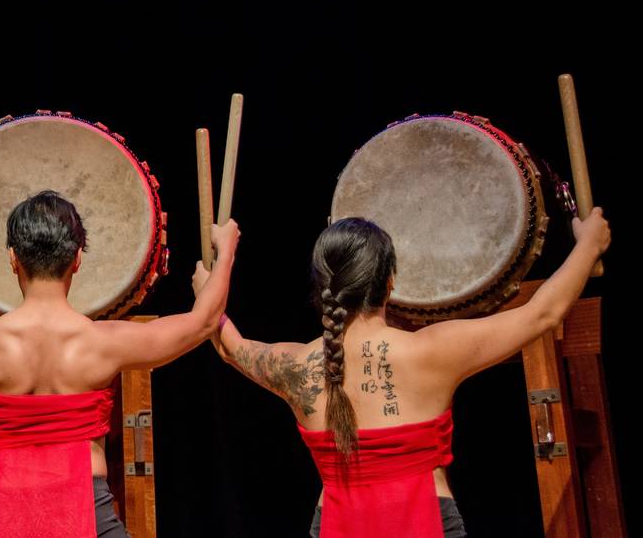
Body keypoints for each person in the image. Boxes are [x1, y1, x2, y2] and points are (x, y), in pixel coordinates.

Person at [194, 211, 611, 538]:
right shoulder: (431, 351)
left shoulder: (294, 367)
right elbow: (543, 313)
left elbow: (231, 347)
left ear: (323, 286)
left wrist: (215, 279)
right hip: (427, 520)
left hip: (337, 526)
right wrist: (588, 245)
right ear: (389, 282)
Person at [0, 190, 239, 537]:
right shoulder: (102, 343)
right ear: (77, 260)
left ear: (13, 259)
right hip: (88, 509)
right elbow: (203, 321)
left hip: (2, 510)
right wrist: (225, 254)